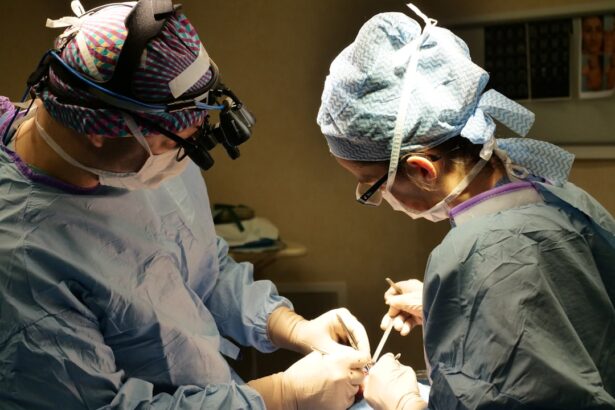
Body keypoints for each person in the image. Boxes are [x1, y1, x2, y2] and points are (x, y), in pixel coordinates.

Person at [0, 1, 372, 409]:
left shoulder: (140, 159)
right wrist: (282, 395)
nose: (180, 159)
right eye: (169, 142)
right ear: (100, 131)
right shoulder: (24, 264)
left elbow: (198, 262)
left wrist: (289, 325)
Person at [317, 5, 615, 409]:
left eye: (372, 186)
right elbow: (557, 318)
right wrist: (446, 305)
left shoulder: (473, 255)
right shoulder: (553, 193)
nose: (377, 198)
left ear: (422, 170)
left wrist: (400, 404)